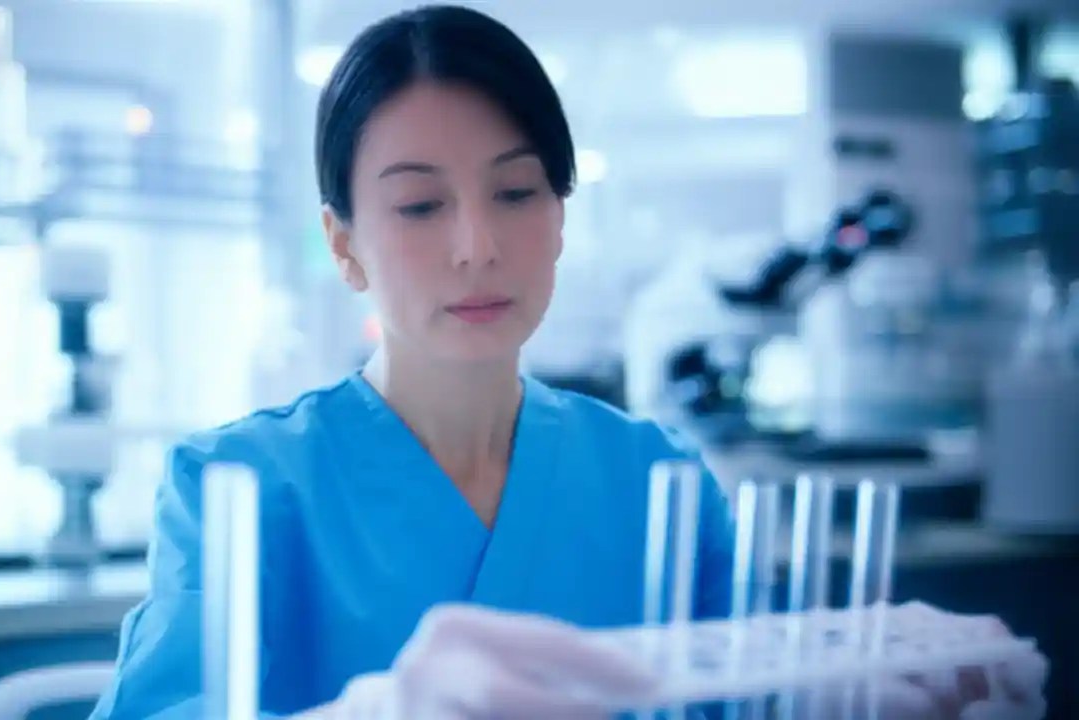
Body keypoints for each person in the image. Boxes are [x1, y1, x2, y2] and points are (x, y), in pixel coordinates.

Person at [90, 5, 1046, 719]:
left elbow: (756, 696)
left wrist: (867, 695)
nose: (477, 245)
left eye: (516, 191)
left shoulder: (655, 479)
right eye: (420, 206)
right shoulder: (242, 487)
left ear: (559, 215)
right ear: (343, 247)